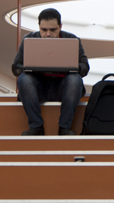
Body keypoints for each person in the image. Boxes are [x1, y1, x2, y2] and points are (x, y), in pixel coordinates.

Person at [11, 8, 90, 136]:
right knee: (24, 79)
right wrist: (31, 67)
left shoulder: (71, 40)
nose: (48, 34)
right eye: (44, 30)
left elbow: (85, 67)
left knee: (75, 79)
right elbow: (15, 68)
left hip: (63, 88)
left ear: (60, 27)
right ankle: (36, 126)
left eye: (53, 30)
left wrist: (71, 67)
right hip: (37, 88)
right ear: (39, 27)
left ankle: (64, 128)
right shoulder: (29, 40)